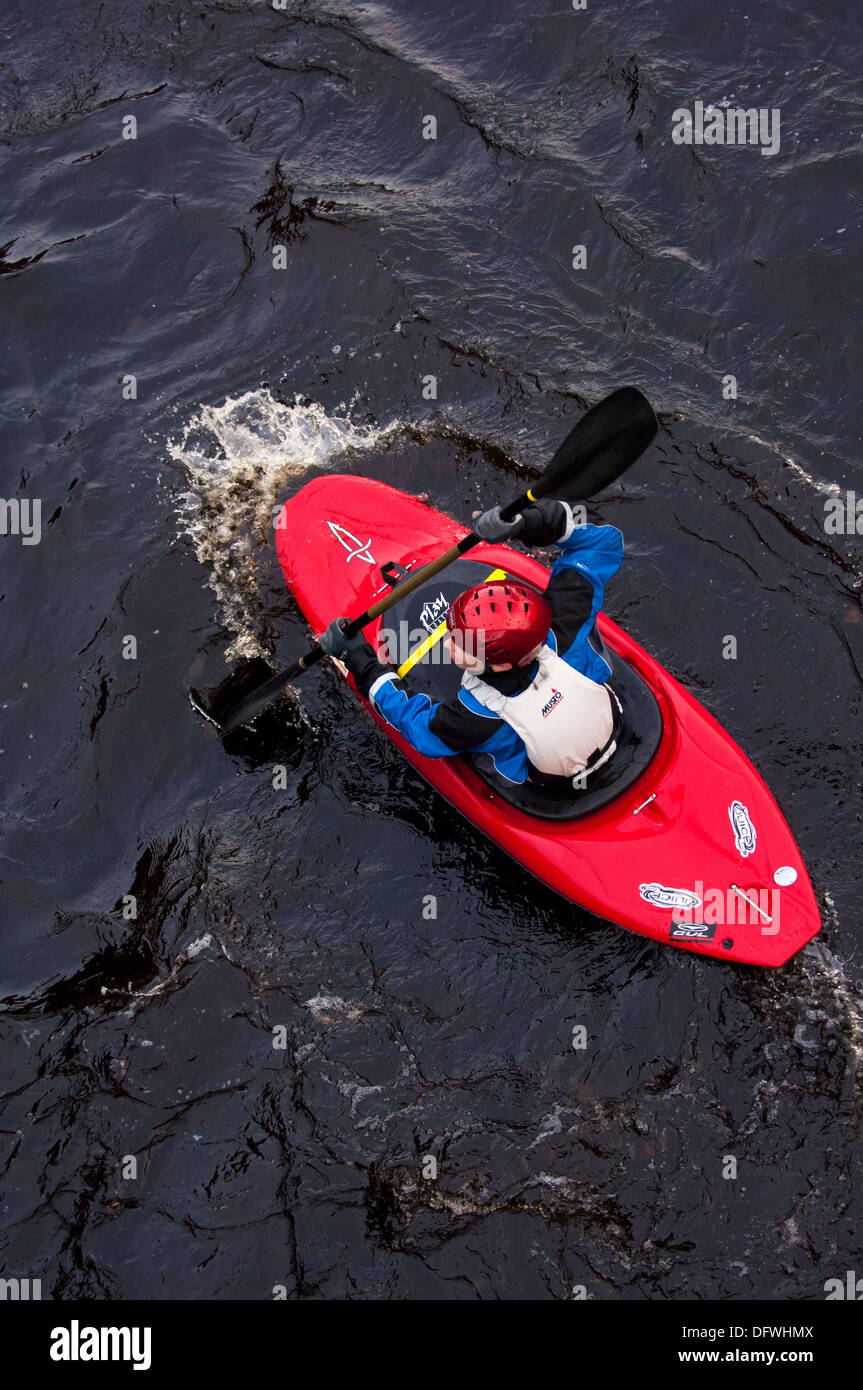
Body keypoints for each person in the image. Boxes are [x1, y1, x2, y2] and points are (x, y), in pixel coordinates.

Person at [320, 499, 624, 788]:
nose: (448, 645)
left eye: (459, 644)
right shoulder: (568, 614)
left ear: (502, 663)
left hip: (546, 778)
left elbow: (420, 729)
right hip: (611, 719)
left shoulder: (474, 715)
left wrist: (361, 662)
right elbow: (602, 540)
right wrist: (528, 523)